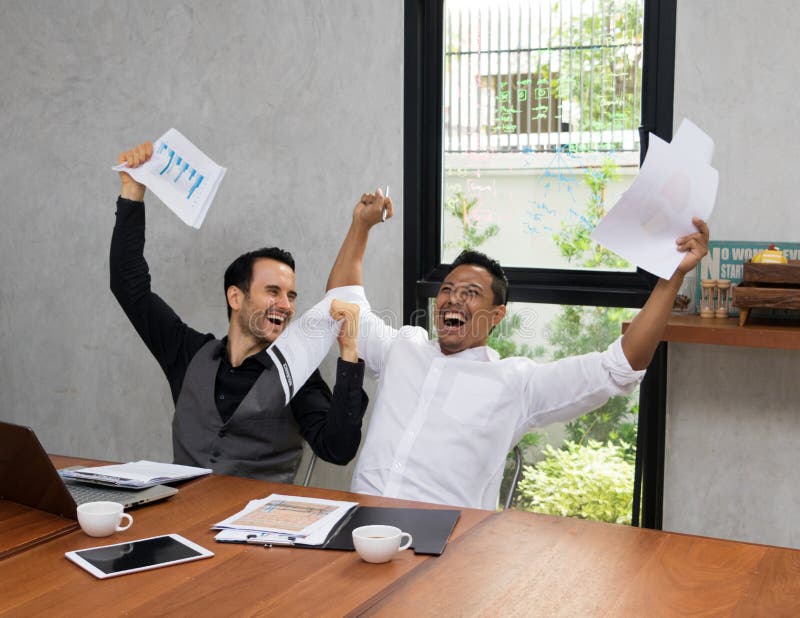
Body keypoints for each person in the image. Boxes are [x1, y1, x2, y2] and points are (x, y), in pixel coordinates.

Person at [323, 188, 709, 509]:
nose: (453, 300)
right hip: (361, 526)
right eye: (447, 291)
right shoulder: (401, 348)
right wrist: (361, 224)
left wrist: (671, 278)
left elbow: (619, 367)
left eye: (471, 294)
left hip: (443, 548)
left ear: (496, 315)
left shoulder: (515, 383)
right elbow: (342, 305)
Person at [110, 141, 368, 483]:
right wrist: (133, 191)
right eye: (273, 292)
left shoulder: (297, 371)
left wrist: (349, 355)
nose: (287, 305)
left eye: (291, 296)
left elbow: (338, 449)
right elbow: (130, 287)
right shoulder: (187, 353)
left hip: (258, 529)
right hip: (181, 518)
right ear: (236, 297)